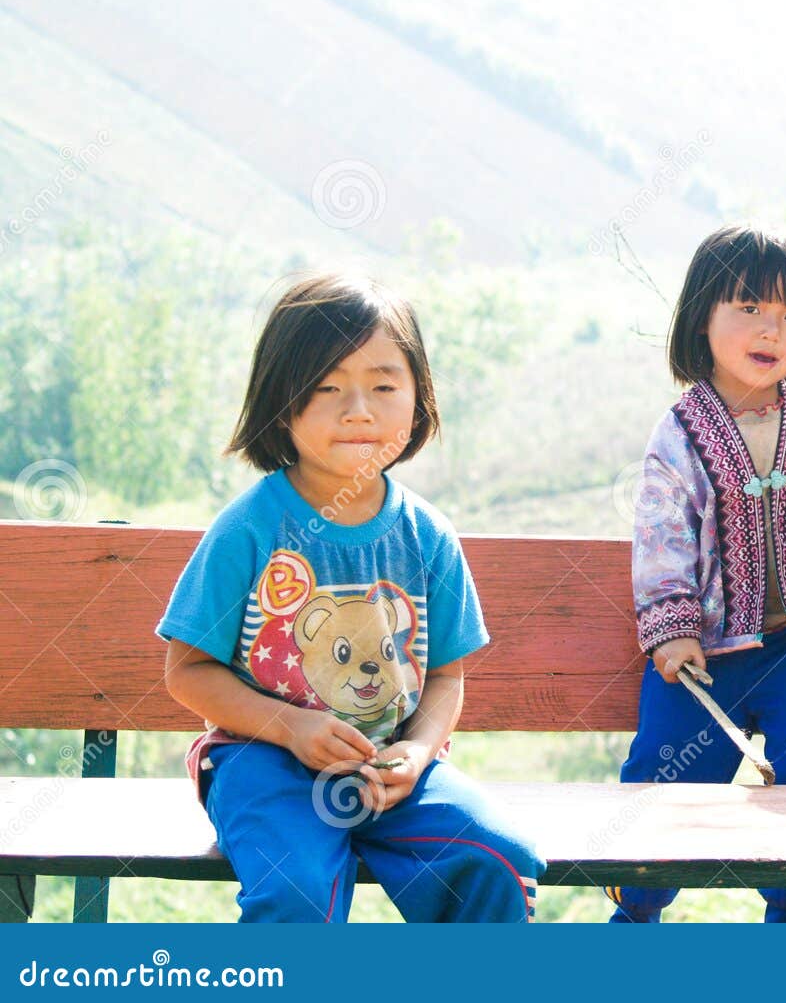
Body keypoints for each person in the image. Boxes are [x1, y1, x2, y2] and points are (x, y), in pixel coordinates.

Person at [157, 273, 544, 922]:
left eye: (385, 385)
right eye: (327, 386)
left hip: (390, 773)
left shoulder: (427, 537)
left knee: (498, 857)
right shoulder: (250, 529)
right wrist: (292, 726)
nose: (359, 409)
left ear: (419, 399)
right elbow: (187, 672)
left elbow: (447, 678)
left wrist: (416, 752)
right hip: (264, 764)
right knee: (298, 890)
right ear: (282, 400)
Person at [607, 225, 786, 923]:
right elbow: (662, 535)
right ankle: (634, 914)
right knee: (663, 777)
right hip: (702, 655)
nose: (774, 330)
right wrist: (669, 628)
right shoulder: (680, 431)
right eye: (750, 308)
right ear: (702, 317)